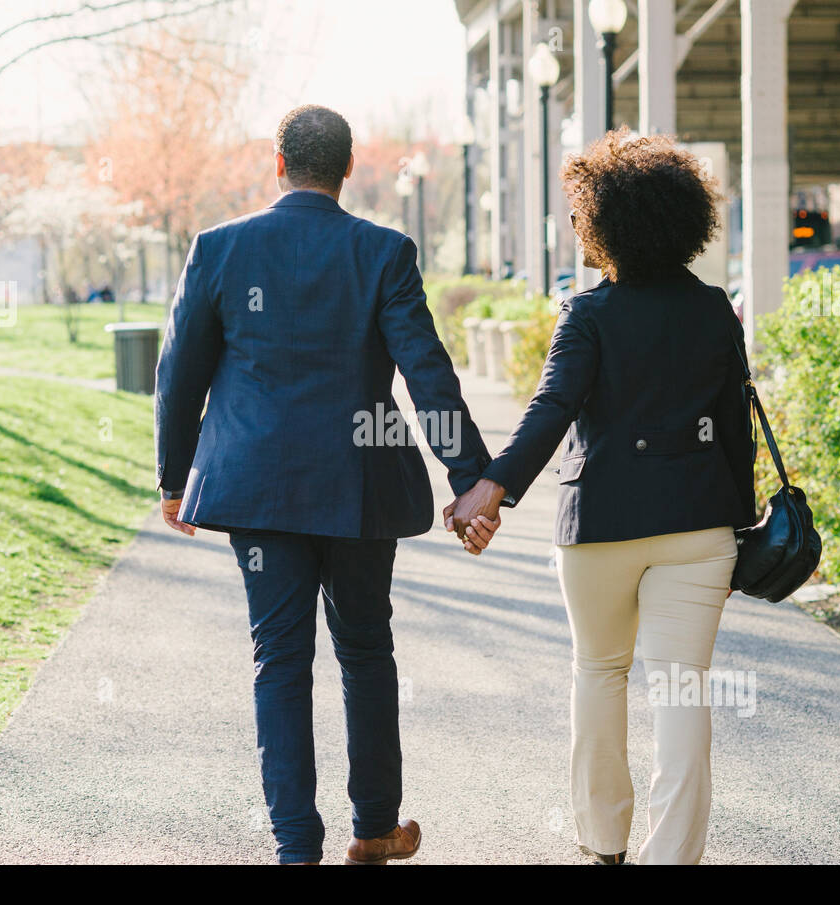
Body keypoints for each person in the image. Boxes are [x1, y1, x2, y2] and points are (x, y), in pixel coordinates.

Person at [154, 105, 500, 865]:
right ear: (349, 169)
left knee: (279, 658)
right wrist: (470, 477)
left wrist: (174, 477)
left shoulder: (219, 248)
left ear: (276, 163)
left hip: (259, 491)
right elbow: (428, 374)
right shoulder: (382, 251)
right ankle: (374, 829)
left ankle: (295, 849)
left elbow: (178, 376)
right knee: (366, 650)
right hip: (359, 488)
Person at [445, 130, 757, 865]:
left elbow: (551, 408)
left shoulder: (587, 315)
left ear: (601, 222)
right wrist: (739, 523)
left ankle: (603, 843)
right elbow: (739, 427)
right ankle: (671, 856)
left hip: (602, 525)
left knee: (600, 672)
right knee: (682, 689)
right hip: (698, 524)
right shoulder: (716, 308)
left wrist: (489, 489)